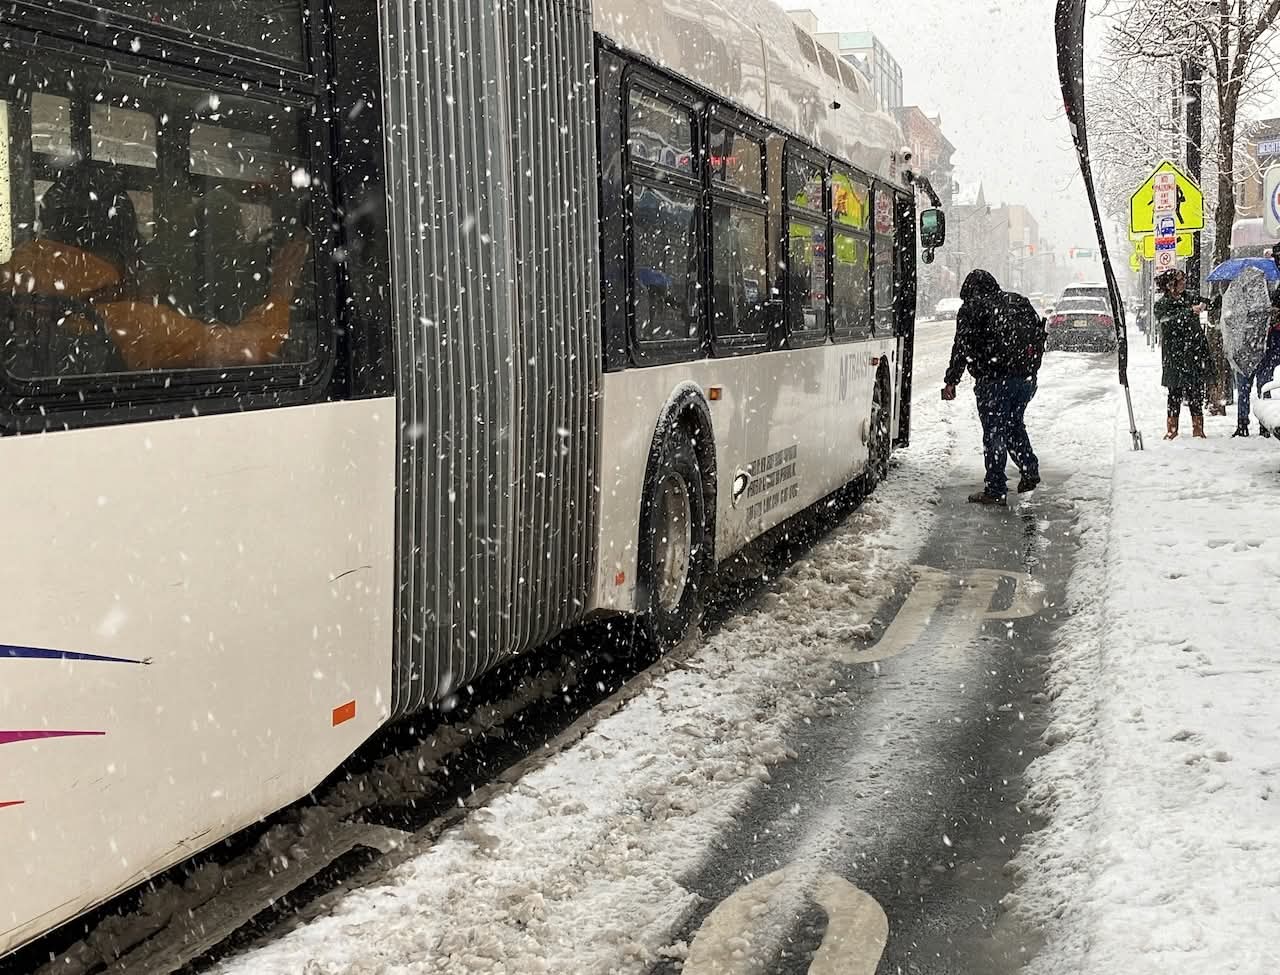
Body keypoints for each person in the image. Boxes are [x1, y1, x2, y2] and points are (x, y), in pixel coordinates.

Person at [0, 162, 308, 373]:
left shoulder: (13, 292)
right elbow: (251, 348)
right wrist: (280, 292)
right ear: (127, 245)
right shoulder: (131, 325)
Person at [942, 269, 1044, 506]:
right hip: (1026, 379)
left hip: (995, 381)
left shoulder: (972, 308)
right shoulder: (1018, 301)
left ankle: (996, 488)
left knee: (995, 432)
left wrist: (951, 380)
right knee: (1013, 425)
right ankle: (1029, 467)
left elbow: (961, 347)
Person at [1154, 267, 1210, 439]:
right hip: (1174, 355)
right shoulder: (1162, 304)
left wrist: (1206, 303)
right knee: (1174, 393)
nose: (1184, 283)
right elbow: (1168, 322)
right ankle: (1172, 429)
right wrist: (1189, 312)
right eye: (1180, 281)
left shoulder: (1190, 297)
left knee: (1195, 392)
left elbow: (1209, 302)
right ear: (1171, 285)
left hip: (1192, 352)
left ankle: (1198, 429)